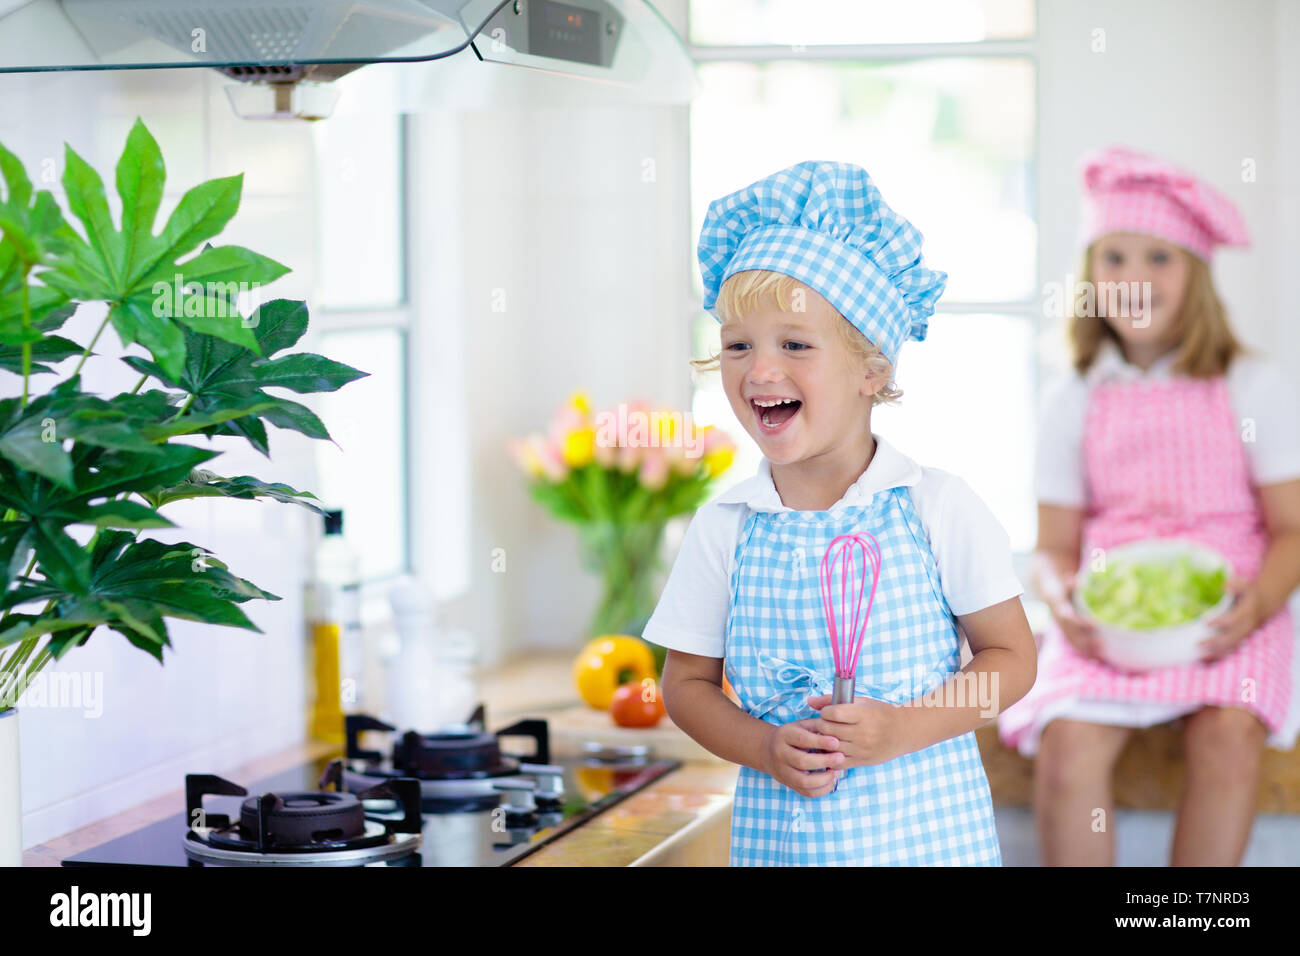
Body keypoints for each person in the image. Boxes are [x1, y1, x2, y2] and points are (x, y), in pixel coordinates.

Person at [645, 160, 1037, 866]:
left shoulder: (934, 507)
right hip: (783, 844)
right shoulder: (726, 526)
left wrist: (901, 729)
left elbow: (1012, 660)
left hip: (930, 843)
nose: (759, 370)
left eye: (794, 344)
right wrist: (764, 746)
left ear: (872, 369)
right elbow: (687, 686)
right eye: (738, 345)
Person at [996, 146, 1300, 866]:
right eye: (1114, 258)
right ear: (1090, 276)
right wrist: (1063, 598)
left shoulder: (1252, 385)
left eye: (1158, 259)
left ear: (1195, 272)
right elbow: (1055, 547)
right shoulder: (1073, 396)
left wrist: (1252, 609)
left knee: (1227, 734)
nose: (1133, 279)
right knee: (1068, 743)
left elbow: (1292, 530)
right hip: (1114, 618)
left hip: (1233, 611)